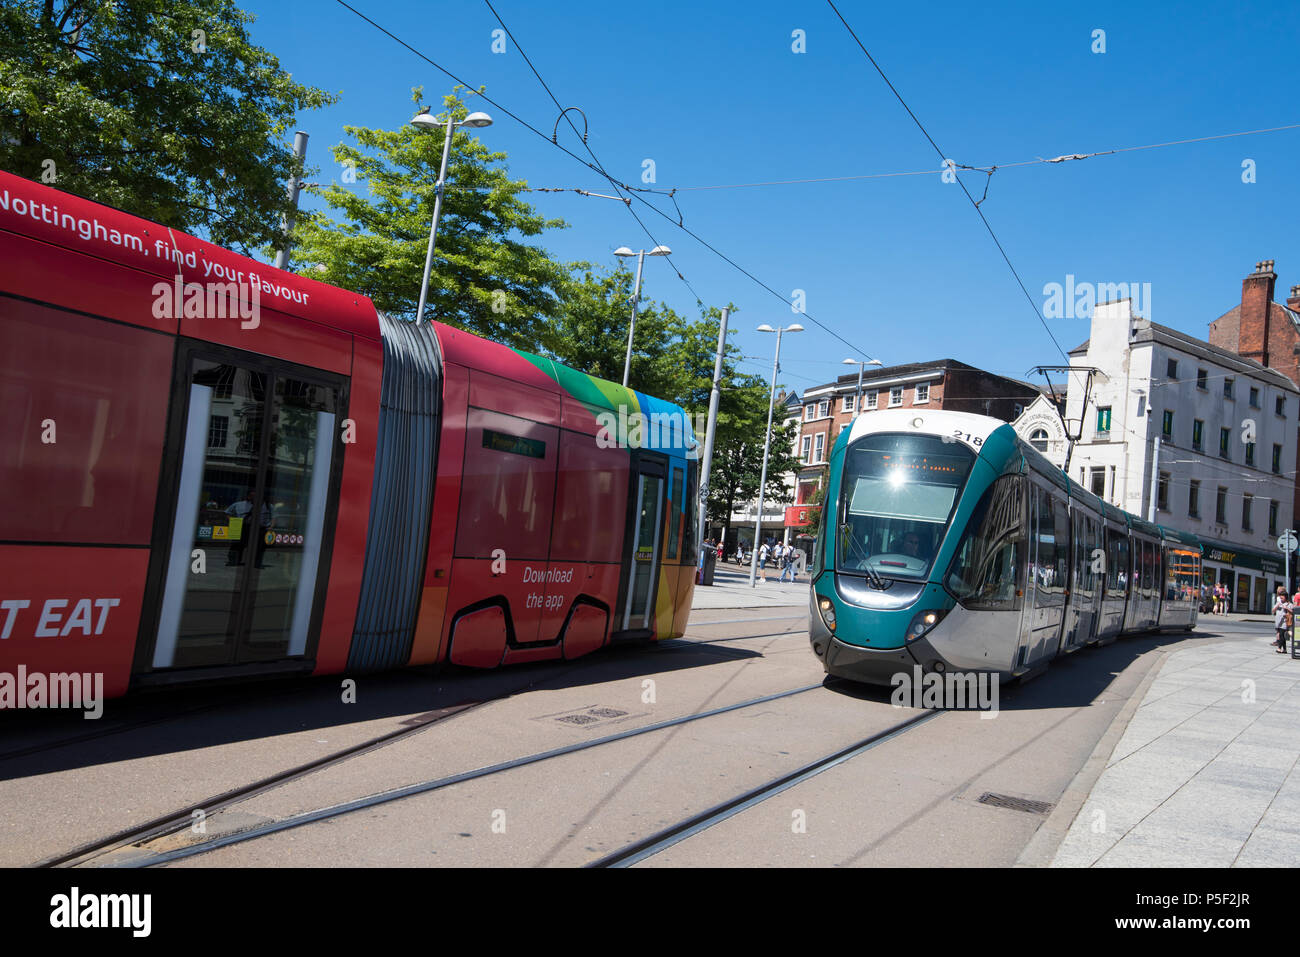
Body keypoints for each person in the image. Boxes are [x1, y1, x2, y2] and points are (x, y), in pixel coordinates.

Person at [1273, 586, 1291, 653]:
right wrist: (1277, 605)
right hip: (1278, 622)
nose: (1281, 599)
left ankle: (1279, 648)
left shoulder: (1289, 604)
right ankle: (1285, 649)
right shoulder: (1278, 603)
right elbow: (1273, 611)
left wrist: (1286, 608)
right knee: (1282, 635)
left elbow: (1292, 612)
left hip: (1284, 622)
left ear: (1286, 597)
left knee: (1281, 635)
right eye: (1280, 598)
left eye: (1282, 598)